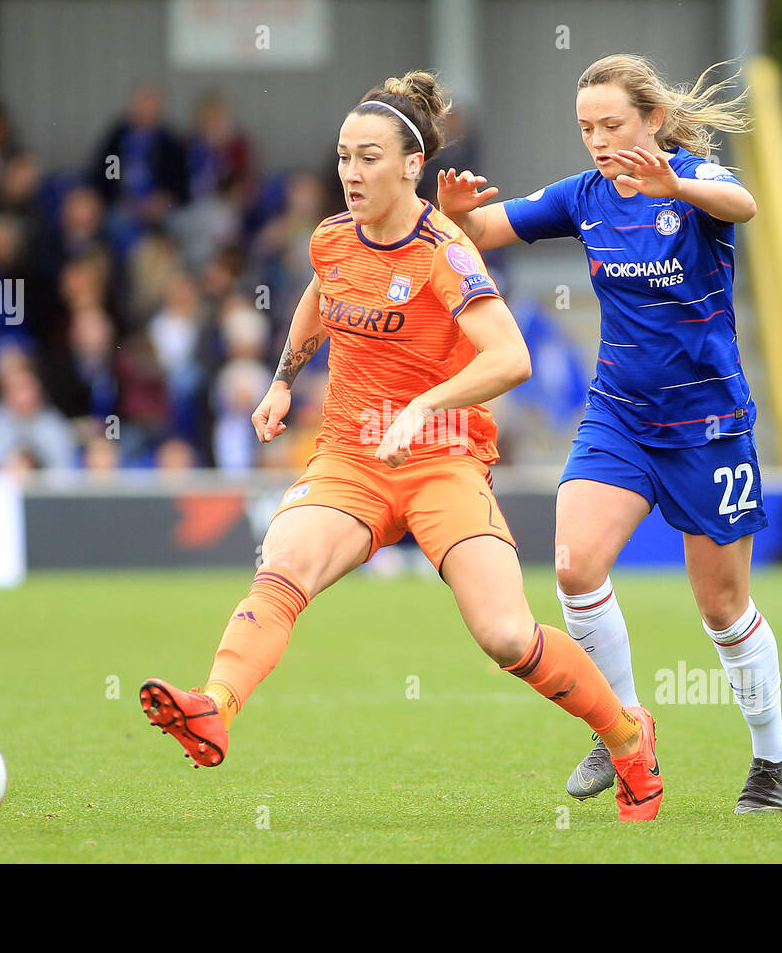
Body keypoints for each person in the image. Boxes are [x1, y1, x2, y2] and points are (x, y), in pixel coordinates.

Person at [140, 71, 663, 822]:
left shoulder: (444, 252)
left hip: (443, 458)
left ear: (412, 166)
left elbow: (508, 357)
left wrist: (424, 405)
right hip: (352, 458)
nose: (351, 173)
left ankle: (626, 737)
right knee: (283, 563)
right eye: (345, 157)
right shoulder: (330, 238)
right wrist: (283, 381)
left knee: (507, 636)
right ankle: (213, 704)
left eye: (369, 157)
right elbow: (321, 296)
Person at [437, 53, 782, 813]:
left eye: (612, 124)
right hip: (620, 416)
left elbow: (745, 206)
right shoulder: (585, 197)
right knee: (573, 566)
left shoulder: (695, 182)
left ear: (652, 121)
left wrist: (674, 184)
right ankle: (625, 727)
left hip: (709, 426)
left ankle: (770, 754)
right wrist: (460, 212)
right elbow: (486, 232)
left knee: (722, 609)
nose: (597, 140)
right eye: (586, 128)